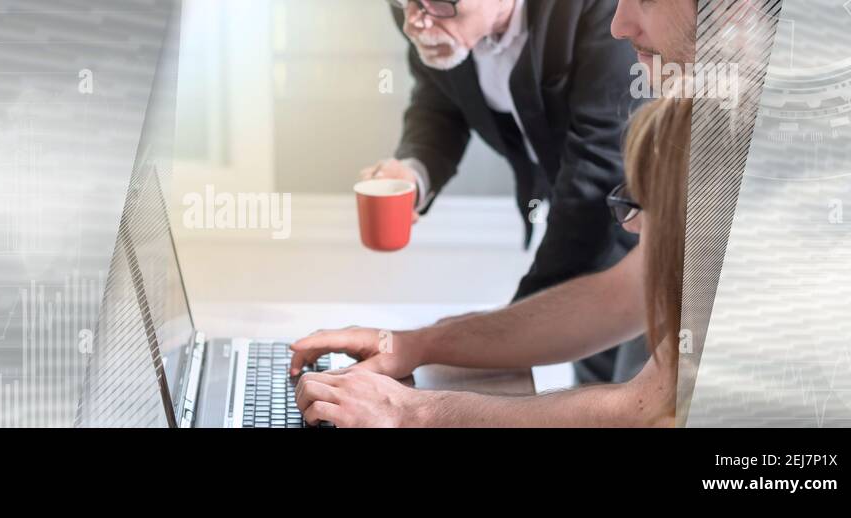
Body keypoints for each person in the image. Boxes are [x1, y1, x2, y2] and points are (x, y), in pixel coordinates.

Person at [291, 0, 704, 426]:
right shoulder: (697, 113)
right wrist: (413, 344)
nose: (621, 26)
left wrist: (409, 411)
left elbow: (643, 407)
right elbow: (621, 293)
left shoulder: (729, 158)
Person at [368, 0, 647, 384]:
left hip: (640, 219)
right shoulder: (429, 13)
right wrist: (413, 172)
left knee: (644, 387)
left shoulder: (600, 12)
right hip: (577, 215)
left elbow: (597, 172)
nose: (414, 22)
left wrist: (506, 330)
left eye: (436, 3)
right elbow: (440, 100)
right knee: (593, 372)